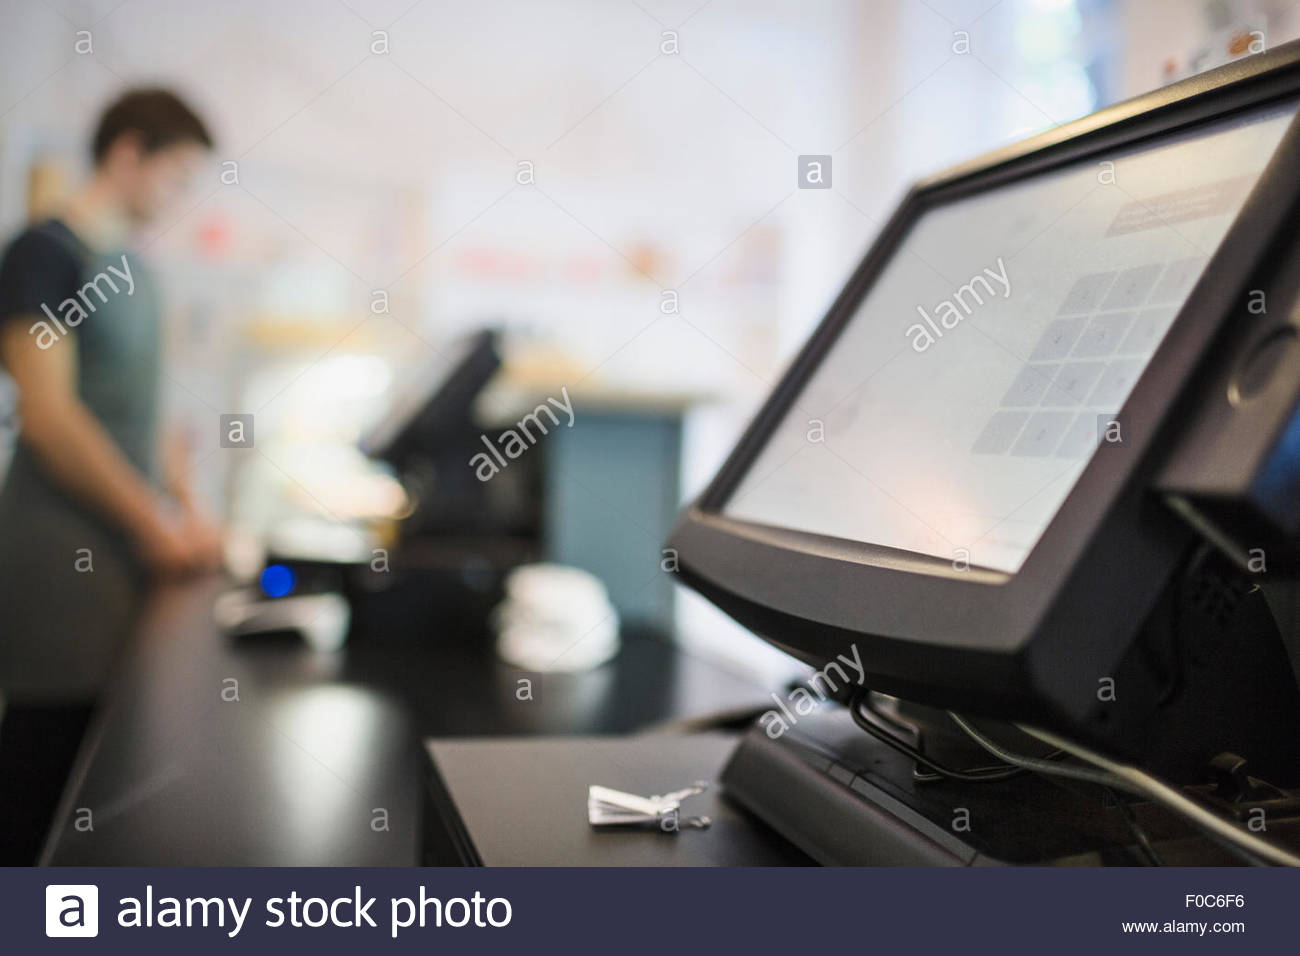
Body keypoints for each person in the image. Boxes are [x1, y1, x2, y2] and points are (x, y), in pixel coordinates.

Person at [0, 88, 223, 863]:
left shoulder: (134, 265)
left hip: (128, 547)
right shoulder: (46, 252)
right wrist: (149, 522)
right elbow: (51, 419)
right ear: (127, 152)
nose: (178, 198)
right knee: (43, 775)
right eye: (175, 177)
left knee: (104, 773)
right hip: (59, 552)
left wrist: (189, 509)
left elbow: (148, 412)